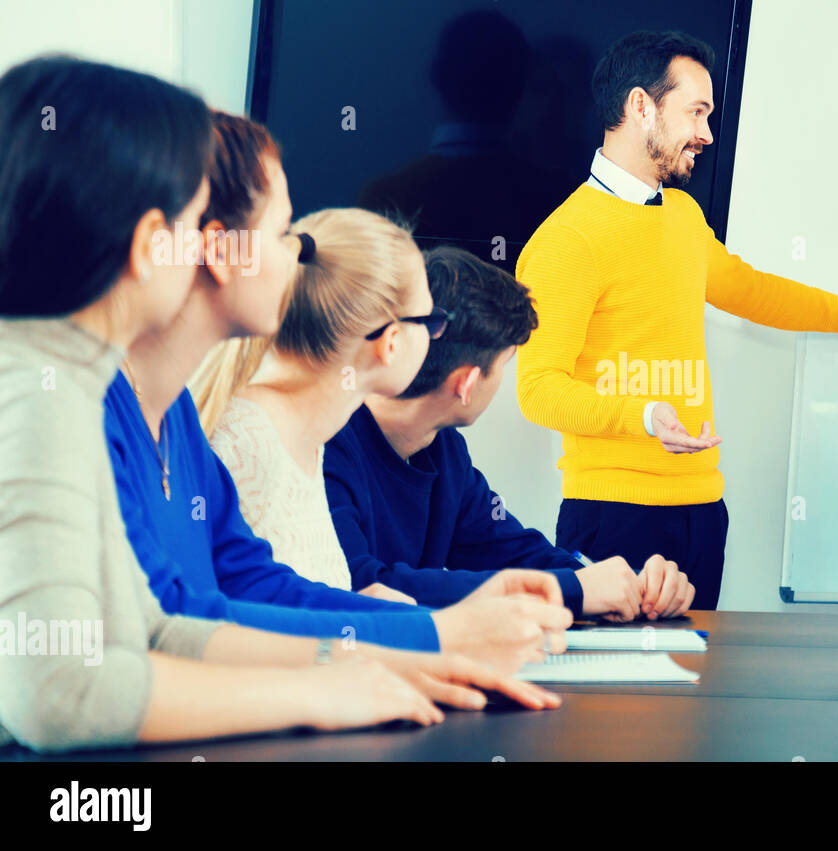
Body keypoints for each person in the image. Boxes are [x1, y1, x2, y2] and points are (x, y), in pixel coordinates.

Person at [0, 57, 554, 753]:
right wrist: (327, 688)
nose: (219, 247)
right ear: (151, 245)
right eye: (197, 219)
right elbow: (61, 695)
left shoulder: (78, 387)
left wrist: (393, 657)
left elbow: (164, 624)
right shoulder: (39, 393)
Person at [113, 111, 567, 663]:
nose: (296, 256)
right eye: (280, 233)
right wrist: (420, 645)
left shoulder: (179, 414)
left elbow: (249, 585)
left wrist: (437, 630)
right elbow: (166, 635)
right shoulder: (131, 414)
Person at [515, 30, 838, 610]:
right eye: (696, 111)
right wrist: (642, 416)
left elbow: (755, 293)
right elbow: (539, 391)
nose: (706, 134)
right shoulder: (566, 239)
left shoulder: (684, 216)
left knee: (696, 693)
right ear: (641, 106)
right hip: (614, 520)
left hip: (702, 514)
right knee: (619, 700)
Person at [192, 205, 573, 669]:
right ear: (391, 342)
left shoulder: (307, 434)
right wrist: (435, 633)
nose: (438, 341)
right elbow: (227, 627)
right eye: (430, 324)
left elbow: (281, 596)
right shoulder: (254, 437)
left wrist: (400, 618)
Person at [326, 246, 696, 623]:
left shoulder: (443, 450)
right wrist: (573, 591)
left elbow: (513, 551)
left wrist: (631, 585)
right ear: (467, 384)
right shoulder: (326, 443)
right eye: (505, 364)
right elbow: (360, 585)